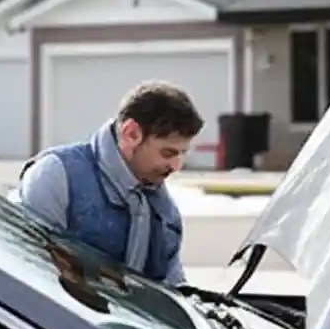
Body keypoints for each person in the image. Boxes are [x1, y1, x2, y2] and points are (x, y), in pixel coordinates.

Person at [15, 80, 202, 287]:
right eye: (168, 153)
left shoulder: (165, 212)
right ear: (131, 133)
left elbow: (174, 287)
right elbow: (28, 269)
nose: (176, 166)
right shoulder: (56, 176)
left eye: (184, 153)